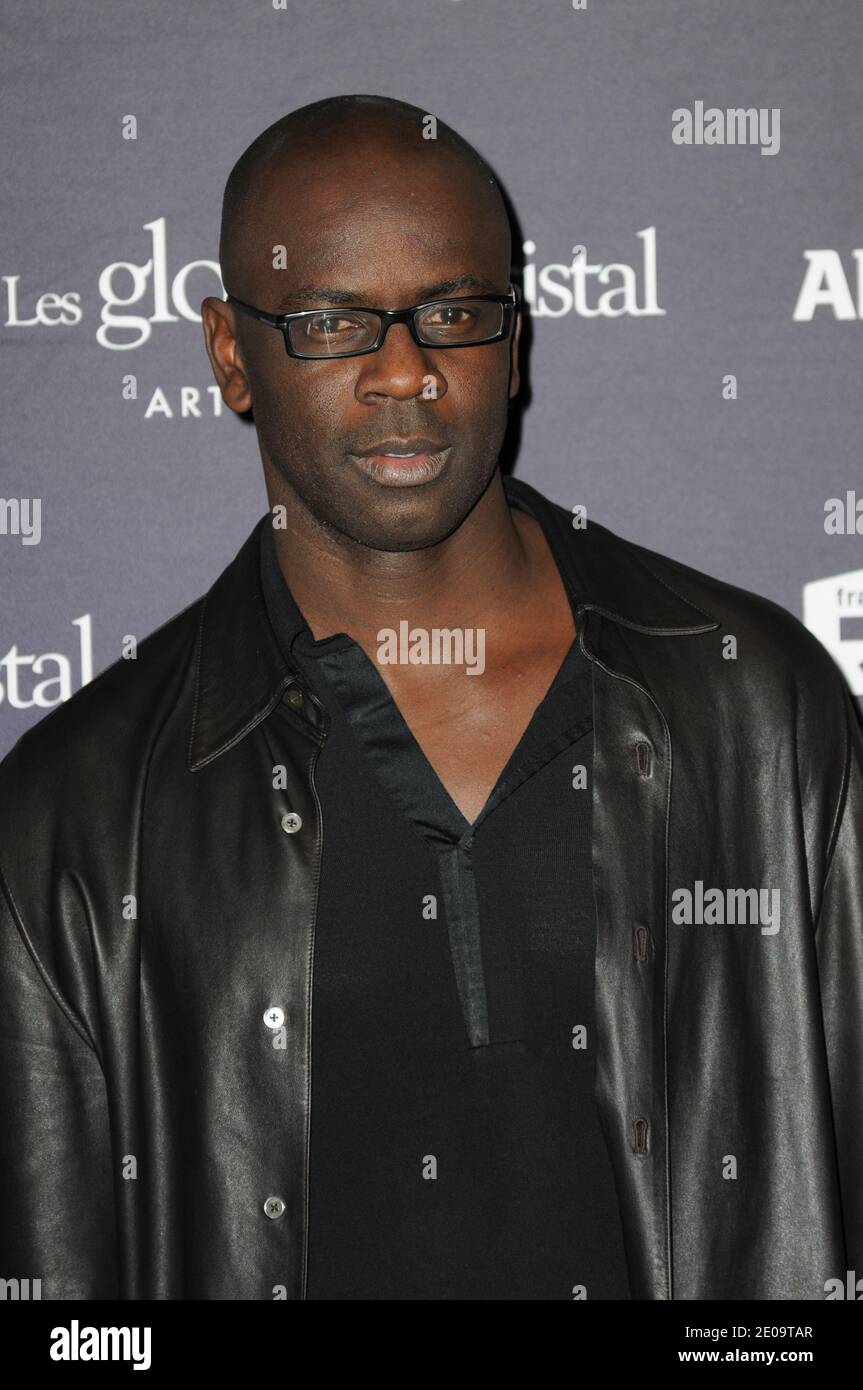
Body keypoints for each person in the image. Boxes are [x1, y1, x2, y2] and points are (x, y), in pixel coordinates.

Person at [1, 94, 861, 1302]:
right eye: (333, 323)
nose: (404, 372)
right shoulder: (74, 815)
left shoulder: (755, 710)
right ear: (229, 354)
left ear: (512, 344)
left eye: (451, 313)